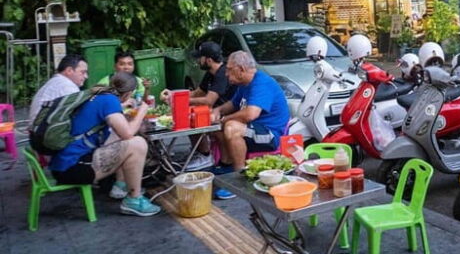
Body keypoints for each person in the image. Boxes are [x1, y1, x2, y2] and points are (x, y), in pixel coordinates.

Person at [49, 72, 161, 217]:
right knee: (137, 143)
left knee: (118, 136)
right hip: (73, 169)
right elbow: (128, 133)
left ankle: (121, 186)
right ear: (129, 93)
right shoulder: (109, 101)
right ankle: (134, 199)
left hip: (62, 163)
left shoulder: (100, 95)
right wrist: (141, 112)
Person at [210, 51, 290, 174]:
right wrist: (217, 110)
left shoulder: (261, 83)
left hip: (271, 135)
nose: (226, 73)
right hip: (255, 129)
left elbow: (250, 114)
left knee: (232, 127)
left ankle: (239, 175)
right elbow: (233, 104)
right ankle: (226, 165)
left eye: (229, 69)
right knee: (218, 127)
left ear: (241, 69)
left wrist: (224, 119)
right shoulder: (244, 84)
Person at [162, 42, 235, 174]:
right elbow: (197, 93)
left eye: (200, 57)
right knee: (189, 114)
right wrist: (174, 95)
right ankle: (200, 151)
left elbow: (208, 101)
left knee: (198, 117)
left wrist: (181, 101)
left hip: (227, 111)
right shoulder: (210, 73)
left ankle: (207, 156)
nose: (197, 60)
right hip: (215, 110)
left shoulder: (221, 74)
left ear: (208, 60)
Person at [29, 54, 88, 121]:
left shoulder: (56, 82)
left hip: (41, 125)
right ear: (69, 71)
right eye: (83, 72)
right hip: (47, 126)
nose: (86, 76)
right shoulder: (67, 86)